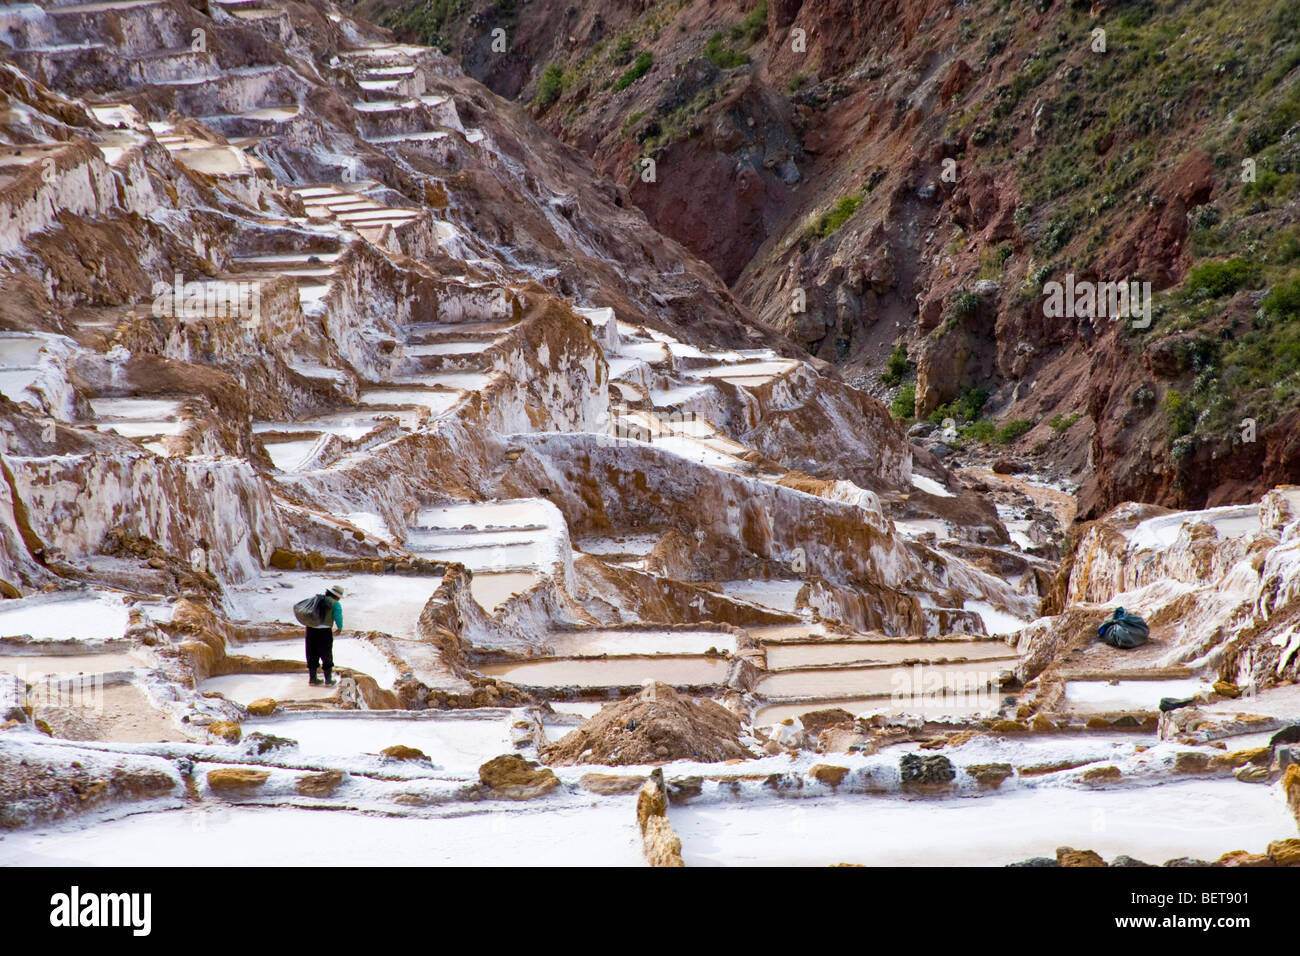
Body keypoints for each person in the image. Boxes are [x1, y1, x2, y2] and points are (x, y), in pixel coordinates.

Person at [306, 585, 344, 686]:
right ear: (336, 596)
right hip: (324, 632)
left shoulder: (316, 599)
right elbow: (338, 616)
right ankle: (328, 680)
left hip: (310, 629)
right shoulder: (335, 604)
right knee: (326, 654)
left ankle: (312, 679)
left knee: (311, 653)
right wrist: (339, 627)